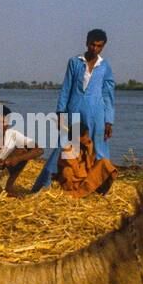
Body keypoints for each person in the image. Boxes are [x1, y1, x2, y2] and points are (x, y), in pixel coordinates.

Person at [31, 28, 114, 192]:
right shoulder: (75, 62)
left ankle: (100, 187)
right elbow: (66, 88)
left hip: (97, 114)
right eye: (92, 44)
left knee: (98, 148)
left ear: (103, 47)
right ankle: (44, 185)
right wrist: (61, 112)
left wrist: (109, 121)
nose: (94, 49)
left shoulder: (105, 67)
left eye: (99, 46)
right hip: (74, 112)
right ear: (86, 42)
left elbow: (108, 95)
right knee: (65, 146)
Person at [56, 125, 118, 197]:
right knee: (67, 171)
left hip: (85, 178)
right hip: (75, 182)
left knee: (105, 163)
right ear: (78, 137)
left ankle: (97, 191)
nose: (88, 138)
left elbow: (90, 165)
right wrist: (88, 169)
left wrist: (88, 153)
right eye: (86, 135)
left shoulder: (86, 145)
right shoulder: (67, 150)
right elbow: (77, 173)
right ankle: (79, 193)